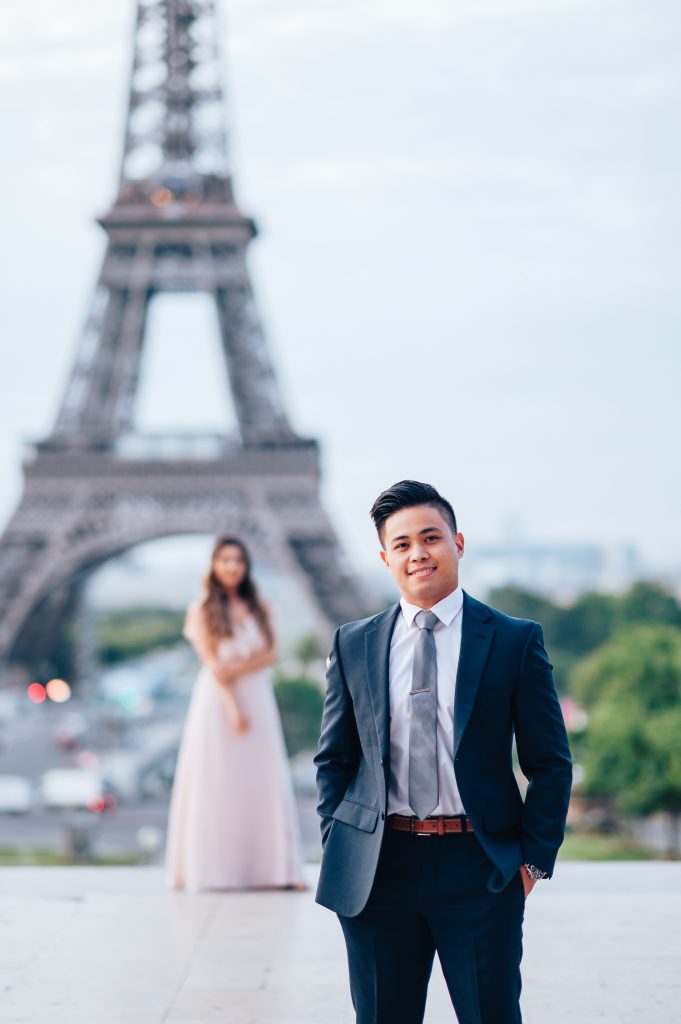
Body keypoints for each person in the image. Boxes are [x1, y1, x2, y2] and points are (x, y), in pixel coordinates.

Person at [315, 480, 572, 1024]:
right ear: (385, 558)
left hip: (478, 865)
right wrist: (340, 841)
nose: (418, 554)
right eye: (403, 544)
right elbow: (334, 760)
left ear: (457, 542)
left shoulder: (513, 639)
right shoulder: (353, 642)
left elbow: (550, 762)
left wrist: (531, 862)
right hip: (378, 868)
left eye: (430, 538)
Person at [166, 535, 305, 892]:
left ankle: (270, 870)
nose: (232, 567)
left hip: (257, 695)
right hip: (219, 701)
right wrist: (234, 708)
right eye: (225, 560)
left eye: (238, 561)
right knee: (219, 780)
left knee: (260, 778)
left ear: (246, 567)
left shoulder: (259, 605)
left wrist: (238, 667)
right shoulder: (201, 609)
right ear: (214, 565)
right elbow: (215, 669)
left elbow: (270, 654)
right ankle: (216, 870)